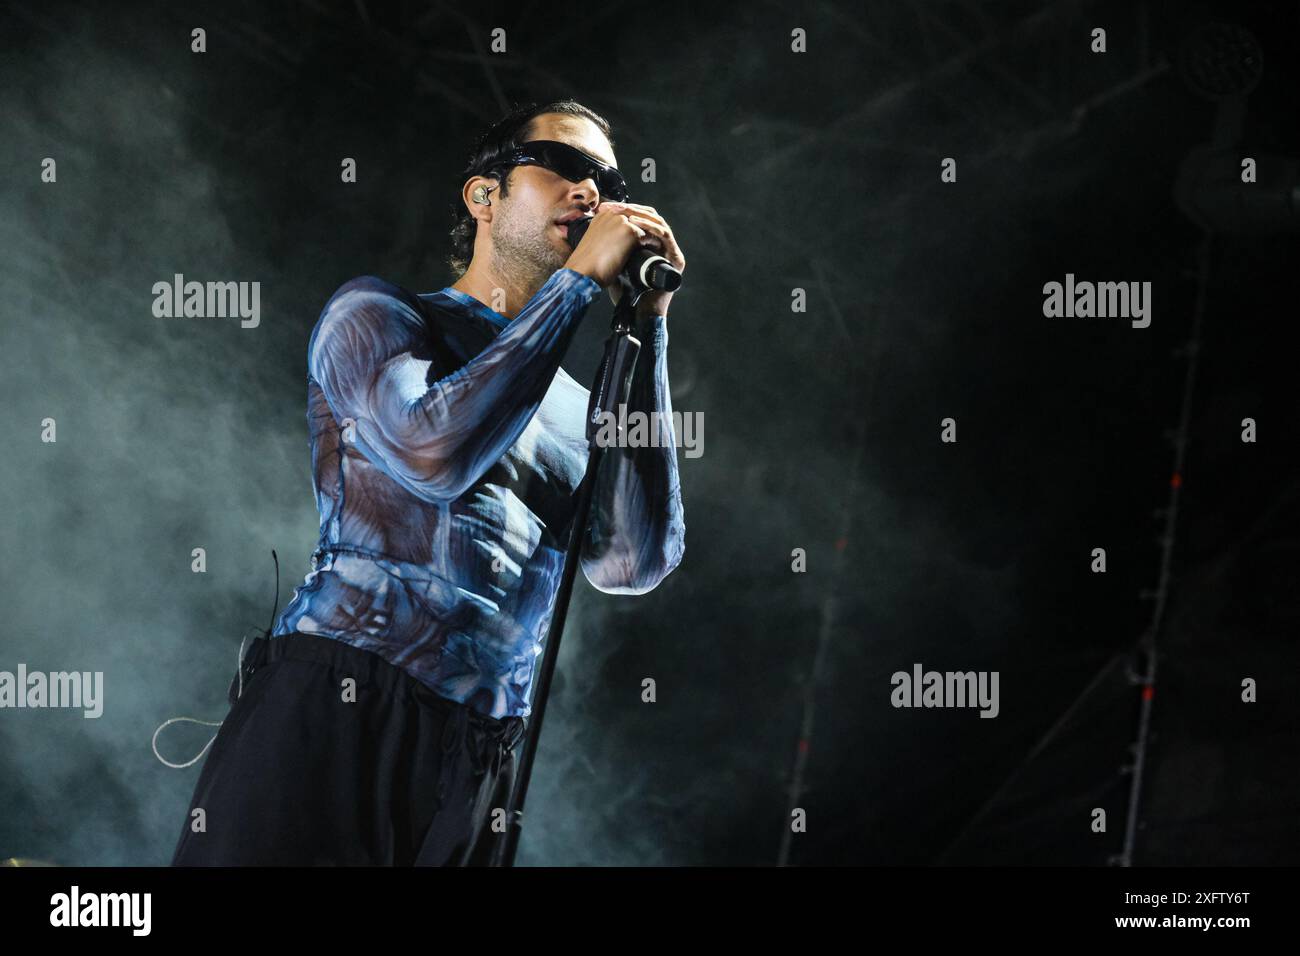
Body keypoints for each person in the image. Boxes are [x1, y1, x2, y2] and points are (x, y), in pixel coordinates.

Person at [168, 99, 686, 866]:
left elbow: (632, 563)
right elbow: (431, 455)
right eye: (567, 166)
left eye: (608, 182)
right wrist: (575, 286)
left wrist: (649, 327)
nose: (593, 194)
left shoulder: (583, 409)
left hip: (477, 752)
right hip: (341, 699)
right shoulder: (381, 315)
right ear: (484, 196)